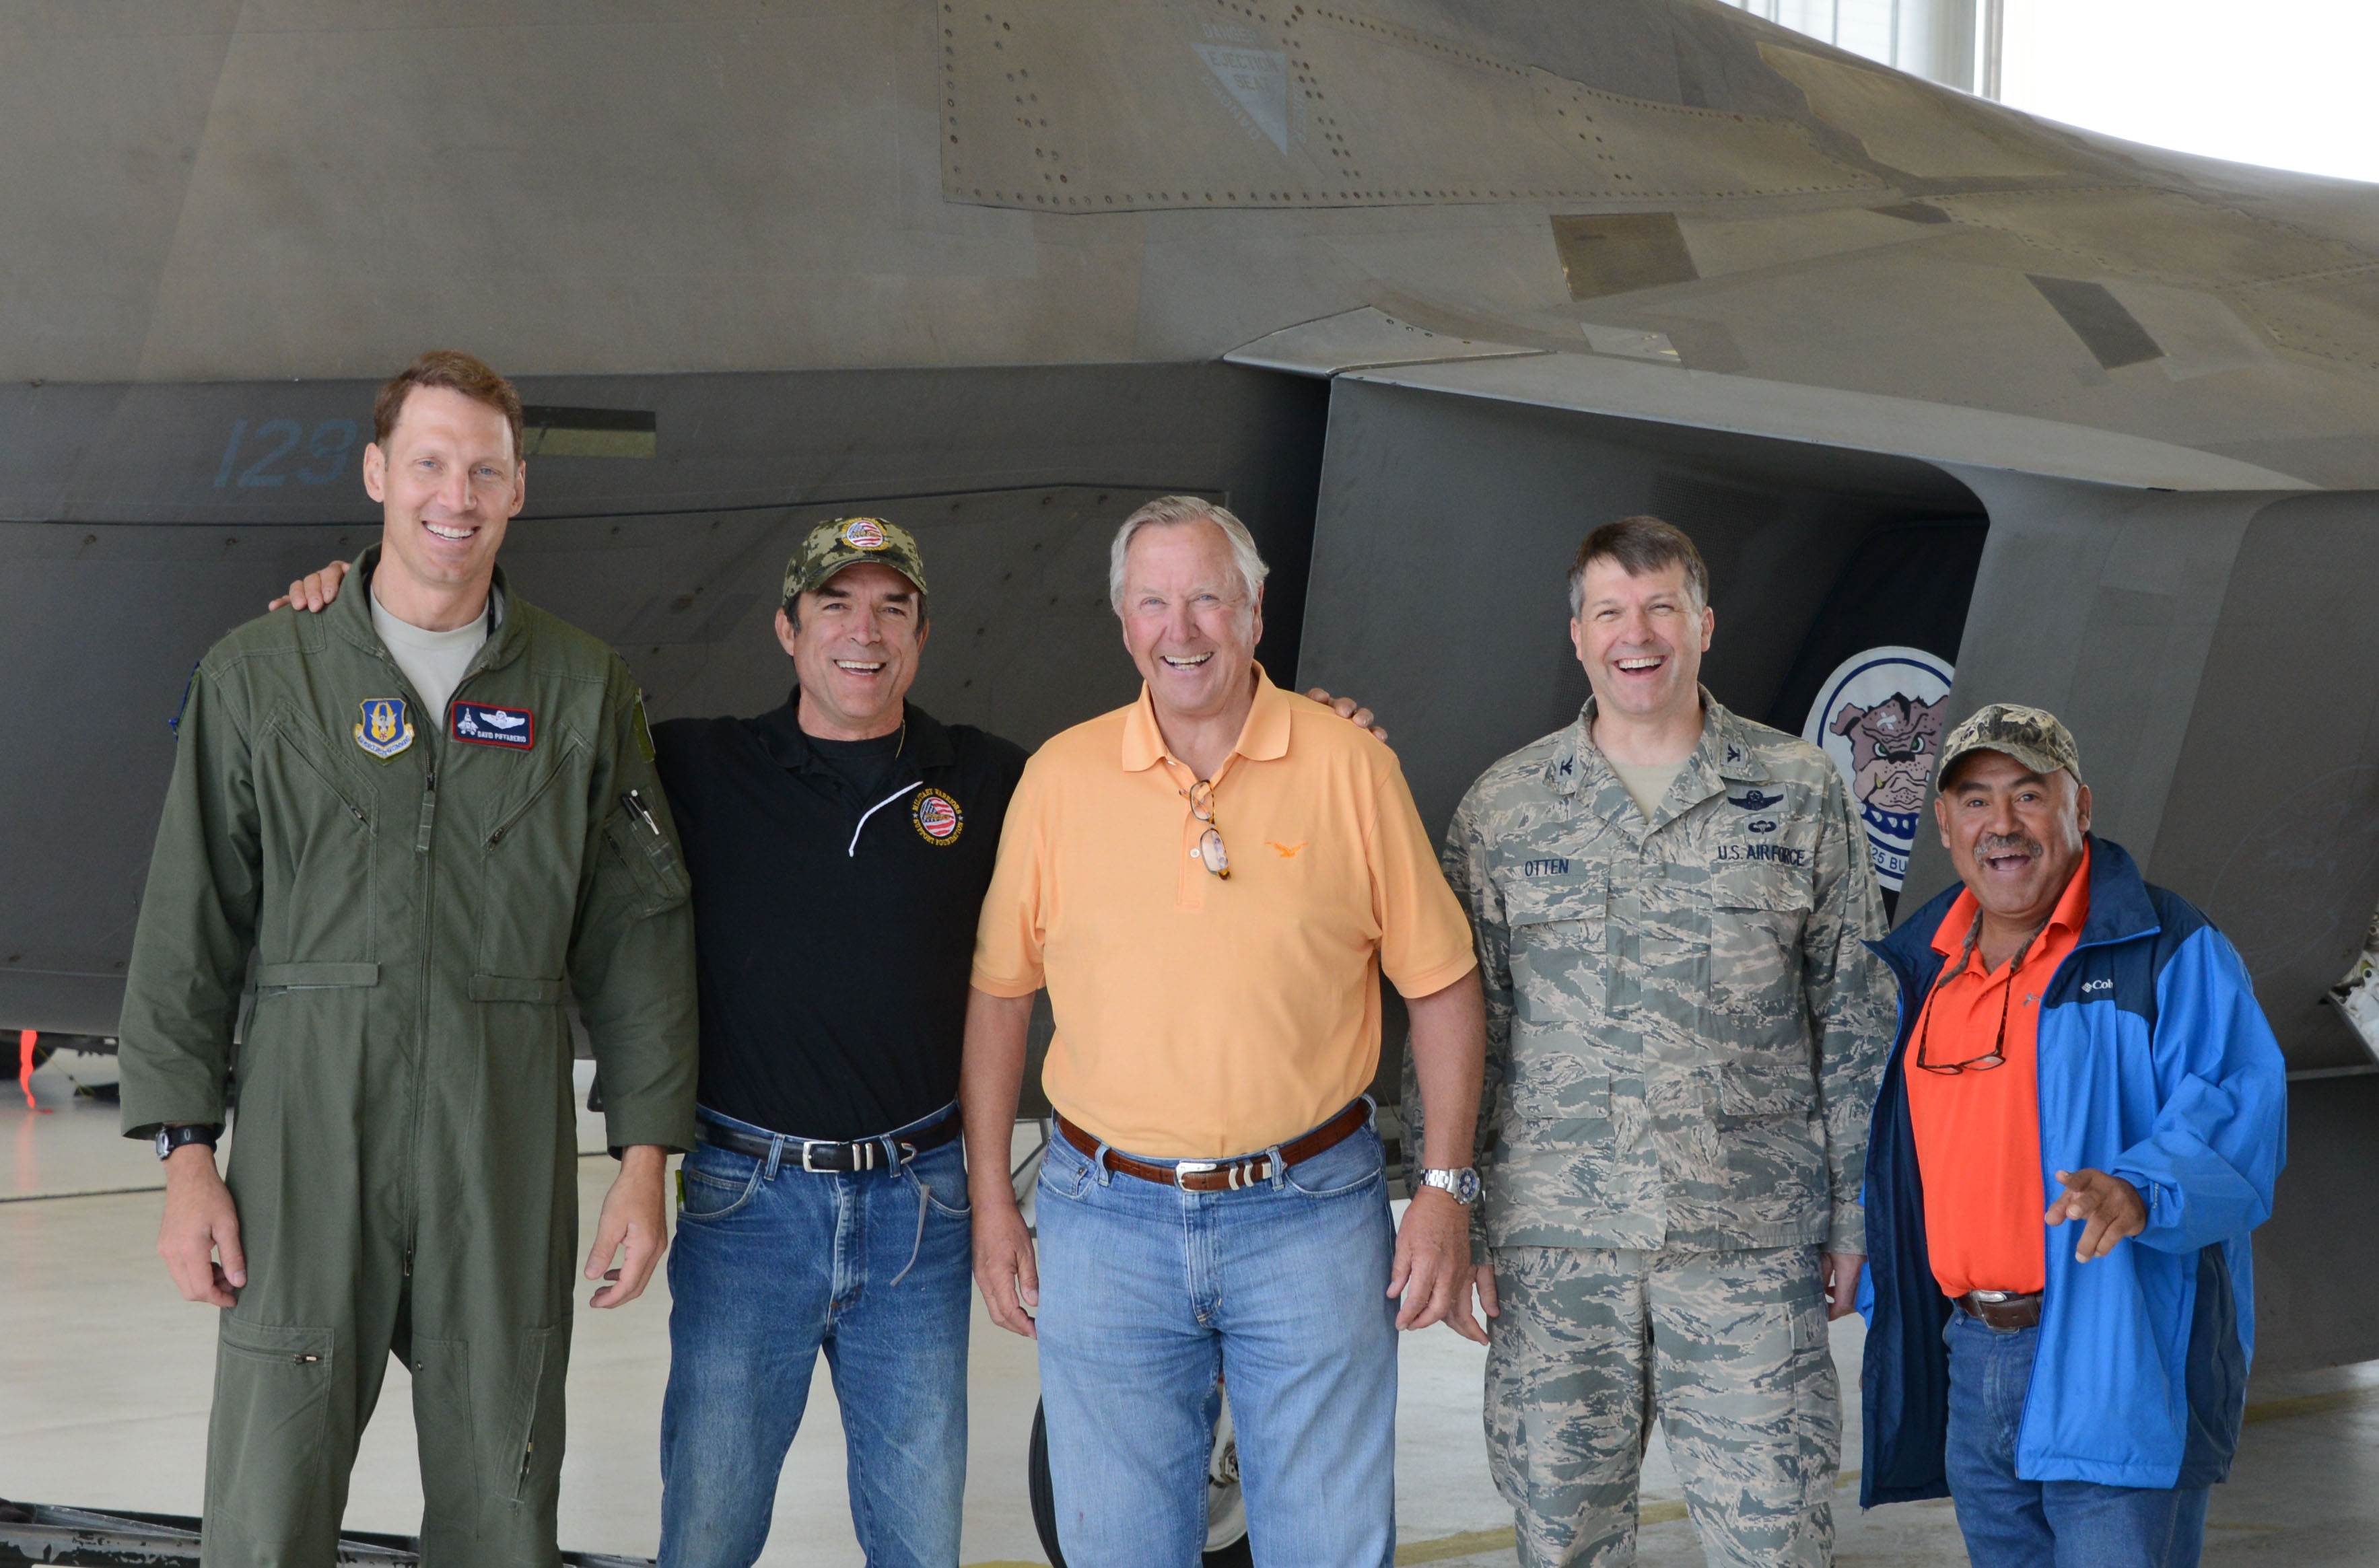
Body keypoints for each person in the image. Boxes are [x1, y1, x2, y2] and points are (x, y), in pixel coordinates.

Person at [271, 512, 1389, 1567]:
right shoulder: (698, 767)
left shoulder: (994, 778)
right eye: (836, 606)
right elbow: (517, 743)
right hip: (745, 1202)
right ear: (788, 630)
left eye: (892, 609)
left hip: (922, 1209)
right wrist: (360, 614)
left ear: (920, 635)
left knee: (914, 1539)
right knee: (707, 1527)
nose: (864, 633)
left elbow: (1161, 771)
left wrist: (1309, 729)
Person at [118, 349, 697, 1567]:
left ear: (519, 489)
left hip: (501, 1146)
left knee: (502, 1505)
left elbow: (637, 939)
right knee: (268, 1507)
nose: (457, 493)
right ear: (379, 472)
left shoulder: (583, 691)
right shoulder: (263, 676)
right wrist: (185, 1158)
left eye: (484, 468)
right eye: (430, 462)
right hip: (304, 1150)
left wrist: (646, 1160)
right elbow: (190, 930)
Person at [962, 496, 1490, 1568]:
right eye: (1152, 600)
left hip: (1308, 1216)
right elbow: (999, 996)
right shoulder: (1058, 781)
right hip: (1102, 1223)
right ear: (1122, 623)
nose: (1181, 627)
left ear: (1254, 610)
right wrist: (990, 1203)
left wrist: (1443, 1190)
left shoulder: (1350, 767)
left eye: (1207, 595)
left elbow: (1441, 985)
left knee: (1329, 1546)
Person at [1438, 515, 1896, 1568]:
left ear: (1702, 624)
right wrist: (1459, 1213)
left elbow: (1853, 1015)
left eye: (1658, 608)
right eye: (1609, 610)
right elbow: (1467, 1033)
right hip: (1557, 1250)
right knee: (1563, 1540)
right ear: (1577, 634)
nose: (1633, 634)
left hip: (1748, 1246)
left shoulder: (1797, 788)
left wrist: (1851, 1215)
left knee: (1773, 1539)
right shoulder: (1503, 808)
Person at [1858, 704, 2285, 1568]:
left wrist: (2139, 1187)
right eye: (1975, 801)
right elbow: (1900, 1158)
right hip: (1972, 1349)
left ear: (2080, 808)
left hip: (2117, 1347)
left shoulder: (2167, 947)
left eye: (2029, 794)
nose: (2002, 825)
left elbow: (2243, 1112)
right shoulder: (1919, 970)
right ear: (1943, 824)